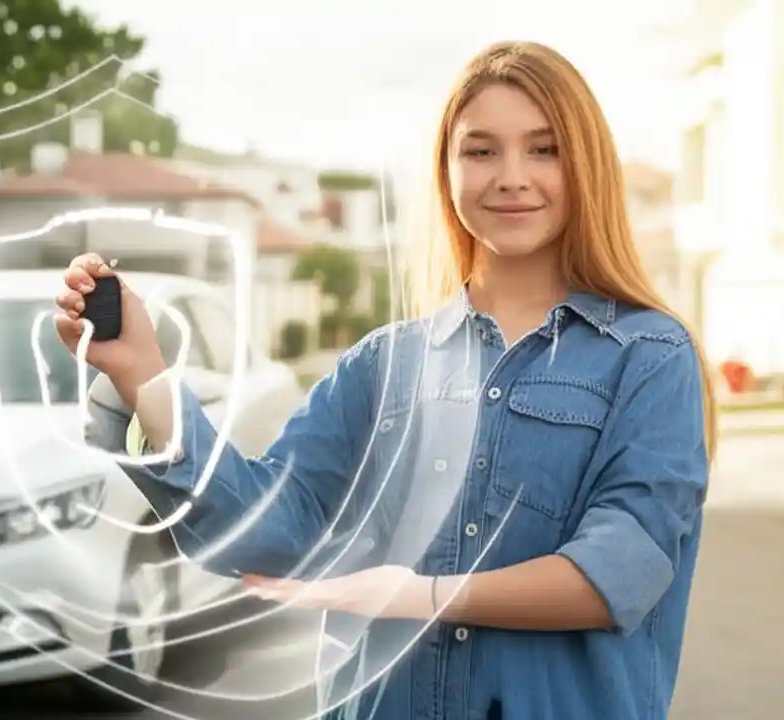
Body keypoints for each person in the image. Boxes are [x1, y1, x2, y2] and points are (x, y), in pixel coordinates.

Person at [55, 40, 716, 720]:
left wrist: (418, 596)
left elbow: (616, 575)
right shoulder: (383, 365)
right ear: (446, 170)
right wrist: (144, 374)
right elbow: (271, 529)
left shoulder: (650, 356)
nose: (512, 176)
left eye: (544, 149)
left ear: (586, 166)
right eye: (481, 150)